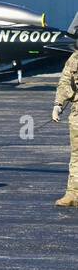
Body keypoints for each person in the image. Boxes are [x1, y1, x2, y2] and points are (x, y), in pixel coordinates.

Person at [52, 48, 78, 207]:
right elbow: (65, 80)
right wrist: (58, 104)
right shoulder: (75, 57)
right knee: (76, 155)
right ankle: (72, 193)